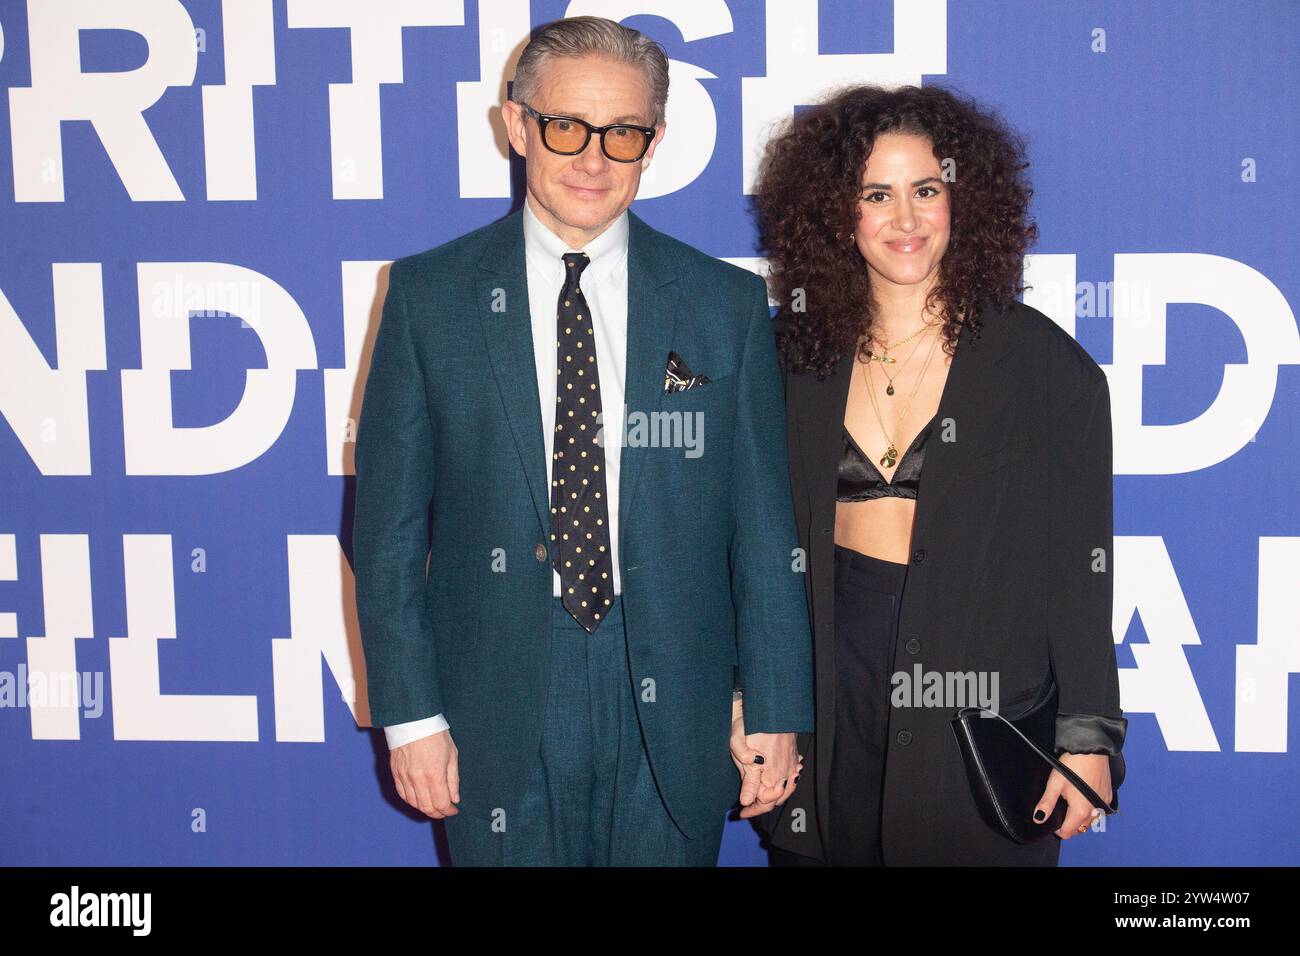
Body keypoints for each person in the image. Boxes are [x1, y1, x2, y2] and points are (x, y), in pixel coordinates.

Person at [351, 15, 812, 867]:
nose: (593, 159)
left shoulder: (725, 307)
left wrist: (776, 704)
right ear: (517, 125)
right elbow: (385, 535)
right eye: (566, 126)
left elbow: (763, 530)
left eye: (623, 134)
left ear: (655, 141)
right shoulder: (429, 297)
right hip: (493, 701)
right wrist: (411, 717)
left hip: (679, 702)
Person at [747, 83, 1128, 866]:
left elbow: (1079, 571)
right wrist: (750, 698)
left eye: (927, 189)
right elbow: (744, 549)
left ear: (964, 198)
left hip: (978, 702)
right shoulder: (786, 359)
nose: (906, 220)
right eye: (876, 195)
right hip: (826, 687)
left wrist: (1090, 736)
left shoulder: (1047, 370)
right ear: (834, 211)